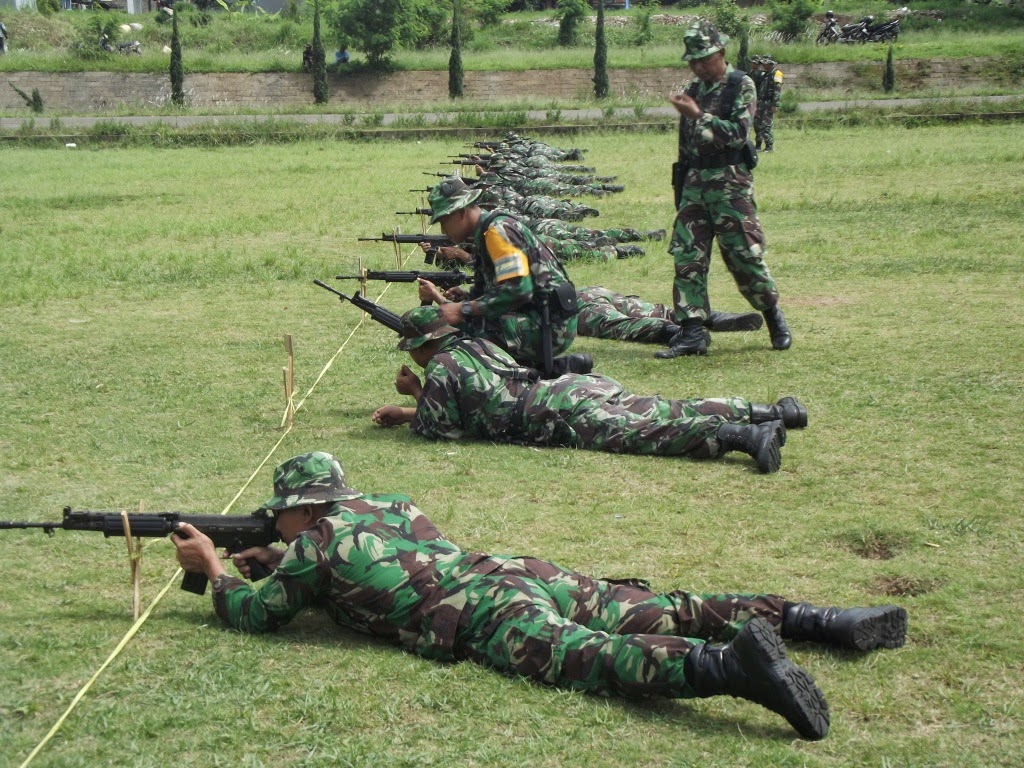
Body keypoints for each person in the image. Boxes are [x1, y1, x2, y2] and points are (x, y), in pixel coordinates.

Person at [173, 451, 909, 741]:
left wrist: (218, 570)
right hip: (511, 571)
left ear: (303, 508)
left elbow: (257, 616)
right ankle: (823, 619)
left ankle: (728, 668)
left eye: (283, 516)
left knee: (596, 657)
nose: (278, 525)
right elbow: (372, 563)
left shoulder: (312, 548)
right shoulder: (386, 504)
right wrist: (283, 556)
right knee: (655, 605)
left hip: (483, 617)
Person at [371, 306, 803, 473]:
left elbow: (440, 429)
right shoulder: (475, 345)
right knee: (660, 408)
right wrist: (409, 410)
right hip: (568, 389)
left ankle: (741, 436)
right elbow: (474, 405)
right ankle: (769, 412)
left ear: (422, 346)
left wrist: (415, 393)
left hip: (552, 413)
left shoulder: (442, 368)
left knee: (643, 431)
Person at [662, 20, 792, 358]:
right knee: (687, 256)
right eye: (692, 61)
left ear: (720, 52)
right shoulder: (694, 89)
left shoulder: (741, 85)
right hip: (695, 185)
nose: (697, 67)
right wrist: (681, 181)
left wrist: (698, 115)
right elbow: (686, 142)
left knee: (744, 256)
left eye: (703, 59)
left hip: (730, 186)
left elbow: (737, 134)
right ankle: (692, 332)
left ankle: (772, 315)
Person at [425, 176, 589, 377]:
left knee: (471, 328)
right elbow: (502, 288)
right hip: (541, 316)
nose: (443, 230)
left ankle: (526, 377)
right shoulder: (486, 233)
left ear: (461, 212)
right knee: (472, 321)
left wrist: (464, 308)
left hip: (550, 325)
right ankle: (552, 369)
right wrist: (467, 298)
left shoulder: (497, 232)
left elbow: (517, 290)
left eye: (444, 221)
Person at [576, 286, 762, 345]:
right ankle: (713, 317)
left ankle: (673, 332)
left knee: (619, 325)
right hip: (589, 291)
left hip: (576, 306)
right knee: (659, 311)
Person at [752, 56, 783, 152]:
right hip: (761, 102)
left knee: (766, 125)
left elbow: (777, 90)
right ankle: (758, 145)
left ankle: (769, 146)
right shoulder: (765, 74)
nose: (763, 65)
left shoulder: (777, 74)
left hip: (769, 103)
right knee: (757, 124)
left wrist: (775, 104)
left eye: (765, 63)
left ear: (770, 64)